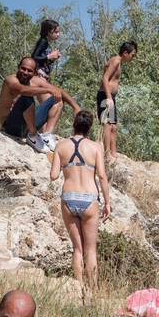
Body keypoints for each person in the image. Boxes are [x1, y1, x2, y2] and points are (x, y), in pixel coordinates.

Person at [49, 110, 111, 292]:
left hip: (68, 198)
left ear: (73, 123)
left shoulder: (61, 145)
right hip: (89, 199)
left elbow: (53, 176)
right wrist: (107, 203)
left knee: (77, 249)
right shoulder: (95, 147)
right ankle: (93, 291)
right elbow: (101, 175)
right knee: (90, 250)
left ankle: (79, 291)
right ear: (89, 127)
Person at [0, 56, 79, 152]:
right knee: (26, 98)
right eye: (23, 68)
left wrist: (76, 107)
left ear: (35, 72)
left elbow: (58, 91)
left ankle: (46, 135)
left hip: (26, 127)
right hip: (10, 126)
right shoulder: (10, 80)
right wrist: (48, 90)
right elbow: (22, 90)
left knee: (57, 98)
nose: (25, 72)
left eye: (29, 71)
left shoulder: (35, 81)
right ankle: (33, 135)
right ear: (18, 67)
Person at [96, 41, 137, 162]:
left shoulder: (118, 62)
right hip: (105, 95)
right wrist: (108, 97)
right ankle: (106, 154)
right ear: (125, 53)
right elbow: (105, 78)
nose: (133, 57)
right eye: (132, 54)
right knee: (107, 125)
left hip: (110, 97)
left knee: (113, 126)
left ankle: (114, 154)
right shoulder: (116, 60)